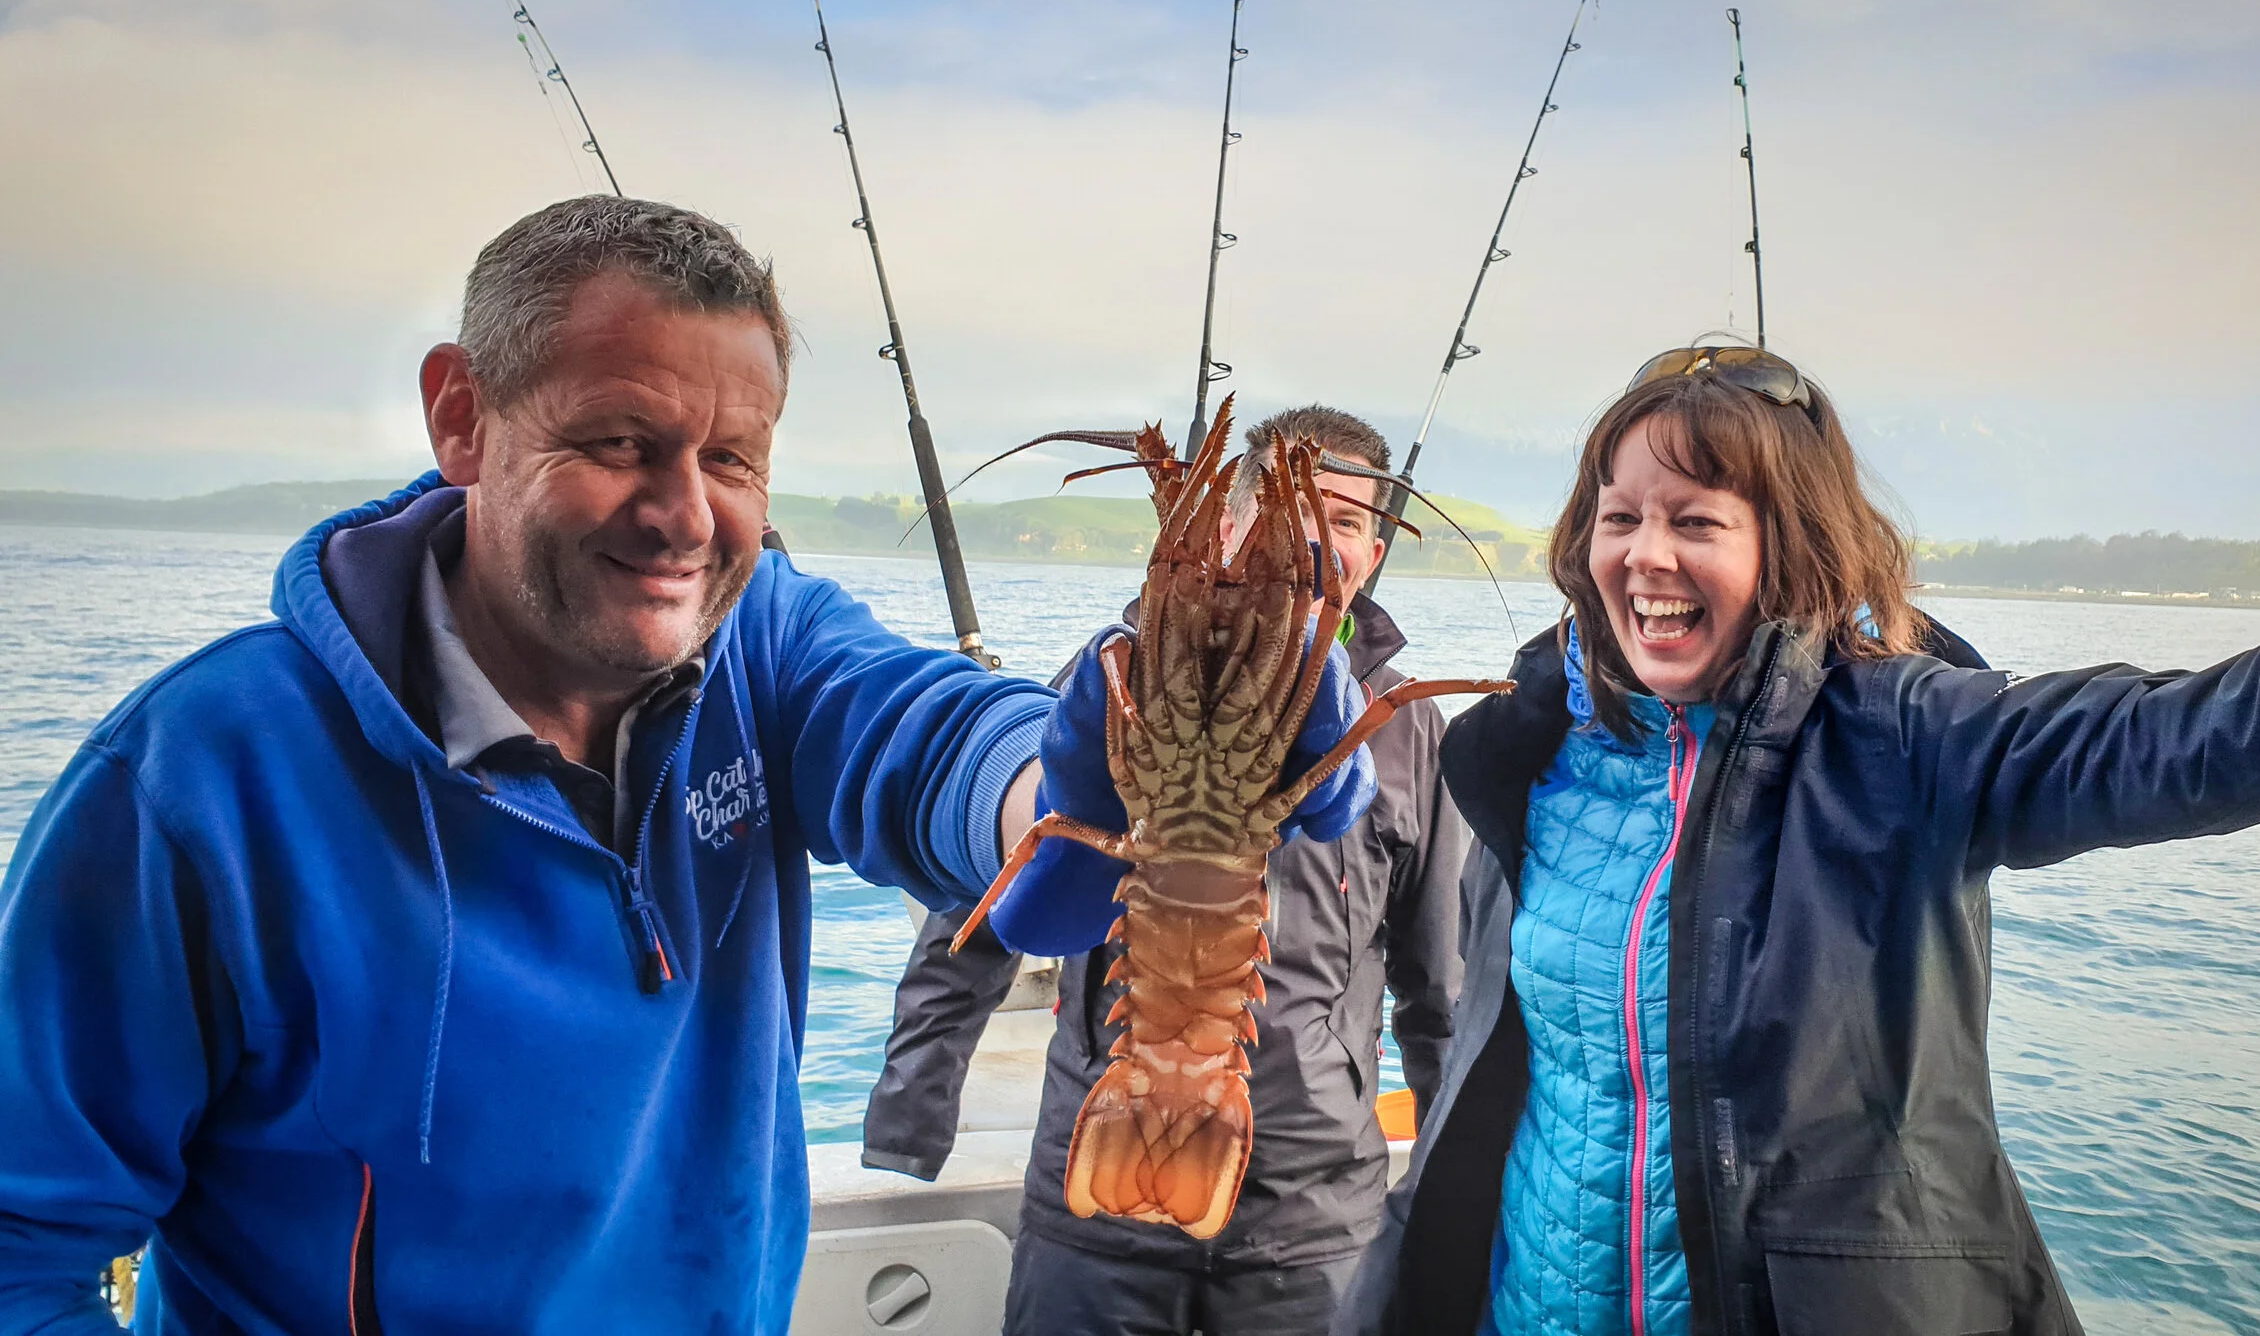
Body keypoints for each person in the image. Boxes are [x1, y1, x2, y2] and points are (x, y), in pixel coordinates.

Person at [0, 195, 1377, 1334]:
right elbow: (20, 1243)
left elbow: (937, 742)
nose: (684, 514)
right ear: (462, 415)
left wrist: (1089, 784)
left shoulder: (763, 639)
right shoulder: (198, 781)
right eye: (619, 442)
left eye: (733, 457)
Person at [1335, 346, 2260, 1336]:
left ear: (1785, 542)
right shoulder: (1535, 745)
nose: (1646, 555)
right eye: (1620, 516)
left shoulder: (1907, 736)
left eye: (1695, 521)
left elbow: (2253, 735)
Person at [860, 406, 1474, 1334]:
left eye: (1347, 522)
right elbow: (999, 879)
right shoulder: (1115, 677)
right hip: (1097, 1192)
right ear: (1225, 527)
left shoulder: (1410, 731)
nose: (1318, 541)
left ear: (1375, 554)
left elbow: (1439, 983)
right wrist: (912, 1111)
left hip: (1312, 1217)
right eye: (1292, 514)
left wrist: (1449, 1177)